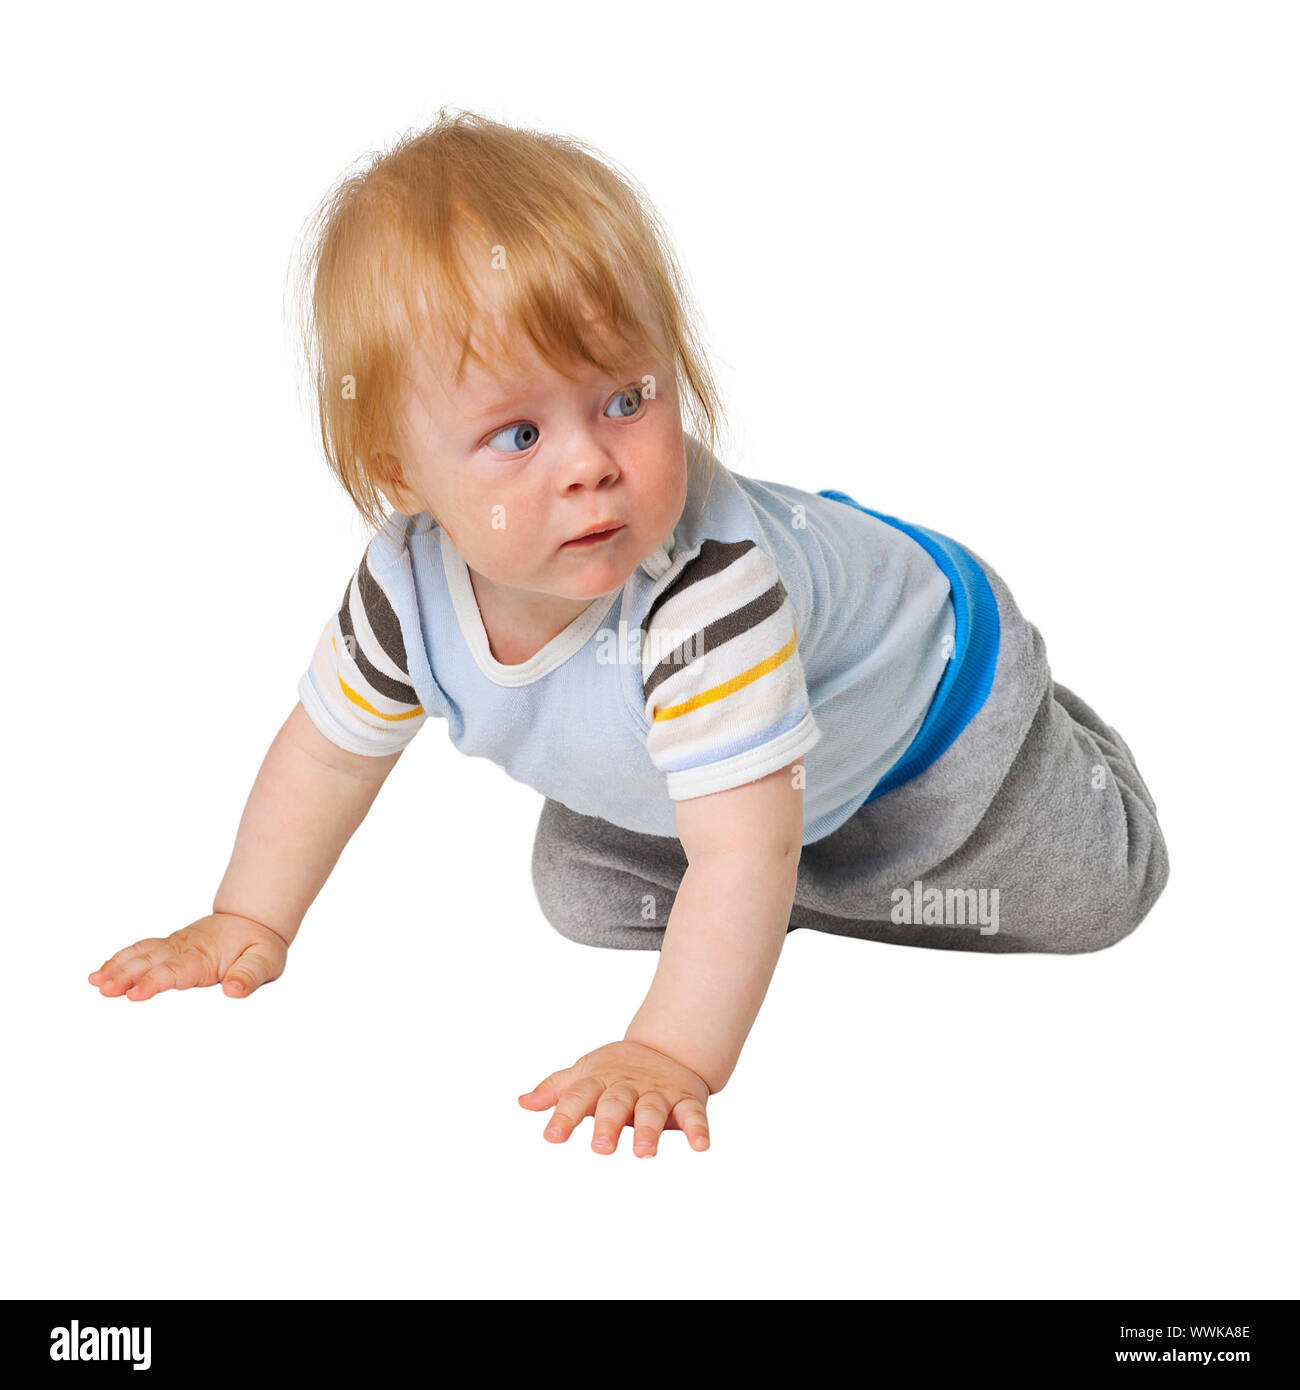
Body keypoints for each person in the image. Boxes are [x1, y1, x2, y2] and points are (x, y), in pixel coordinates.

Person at [87, 108, 1169, 1158]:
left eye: (623, 400)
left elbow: (741, 850)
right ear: (400, 476)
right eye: (517, 432)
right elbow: (325, 755)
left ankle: (1036, 754)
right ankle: (778, 865)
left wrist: (668, 1050)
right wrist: (245, 919)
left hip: (929, 720)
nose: (589, 463)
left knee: (1095, 897)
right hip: (740, 784)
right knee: (583, 899)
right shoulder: (403, 591)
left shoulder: (703, 592)